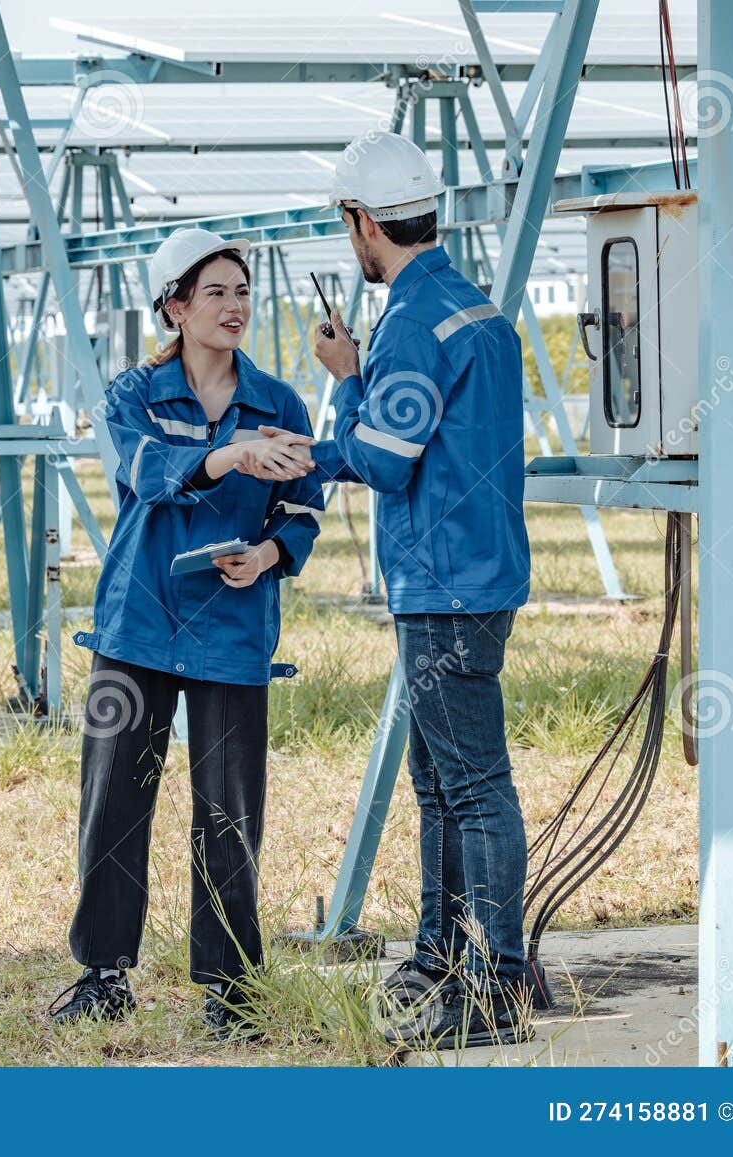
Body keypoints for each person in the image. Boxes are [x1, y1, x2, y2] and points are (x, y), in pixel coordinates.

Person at [261, 132, 532, 1047]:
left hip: (443, 583)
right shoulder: (472, 309)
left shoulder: (412, 320)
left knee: (472, 786)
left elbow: (384, 455)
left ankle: (492, 982)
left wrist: (326, 424)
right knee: (441, 780)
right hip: (478, 571)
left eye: (349, 226)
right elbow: (432, 428)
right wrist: (362, 374)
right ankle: (443, 952)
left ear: (363, 221)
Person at [49, 228, 324, 1039]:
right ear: (174, 306)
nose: (236, 306)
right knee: (114, 801)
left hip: (233, 627)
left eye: (243, 291)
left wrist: (273, 550)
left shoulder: (282, 405)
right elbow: (142, 473)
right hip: (136, 625)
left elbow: (305, 506)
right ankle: (102, 973)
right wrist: (227, 456)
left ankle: (230, 989)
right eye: (217, 293)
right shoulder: (131, 394)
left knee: (230, 810)